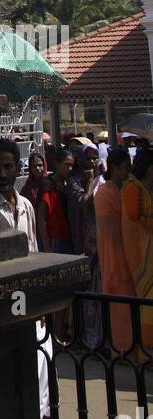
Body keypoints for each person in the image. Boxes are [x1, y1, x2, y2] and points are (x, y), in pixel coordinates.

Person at [0, 138, 51, 419]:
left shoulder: (26, 207)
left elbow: (33, 249)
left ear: (16, 168)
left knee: (39, 364)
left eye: (7, 167)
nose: (1, 173)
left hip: (29, 300)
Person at [94, 147, 134, 352]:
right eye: (127, 167)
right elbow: (112, 232)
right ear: (115, 168)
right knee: (119, 308)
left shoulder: (125, 189)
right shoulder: (104, 193)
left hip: (130, 257)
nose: (129, 171)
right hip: (113, 258)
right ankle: (122, 350)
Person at [68, 144, 104, 347]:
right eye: (88, 158)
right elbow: (83, 204)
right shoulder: (75, 182)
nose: (91, 162)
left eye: (94, 158)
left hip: (101, 242)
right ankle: (86, 337)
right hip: (84, 243)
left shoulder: (103, 180)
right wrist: (90, 182)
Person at [121, 148, 153, 353]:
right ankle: (146, 351)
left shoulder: (144, 188)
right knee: (148, 302)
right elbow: (135, 216)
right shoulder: (133, 187)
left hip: (148, 250)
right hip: (141, 252)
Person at [37, 147, 75, 255]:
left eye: (72, 165)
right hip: (54, 239)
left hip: (69, 237)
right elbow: (41, 219)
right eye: (67, 165)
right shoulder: (47, 186)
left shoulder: (71, 185)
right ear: (57, 164)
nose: (70, 168)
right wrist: (47, 247)